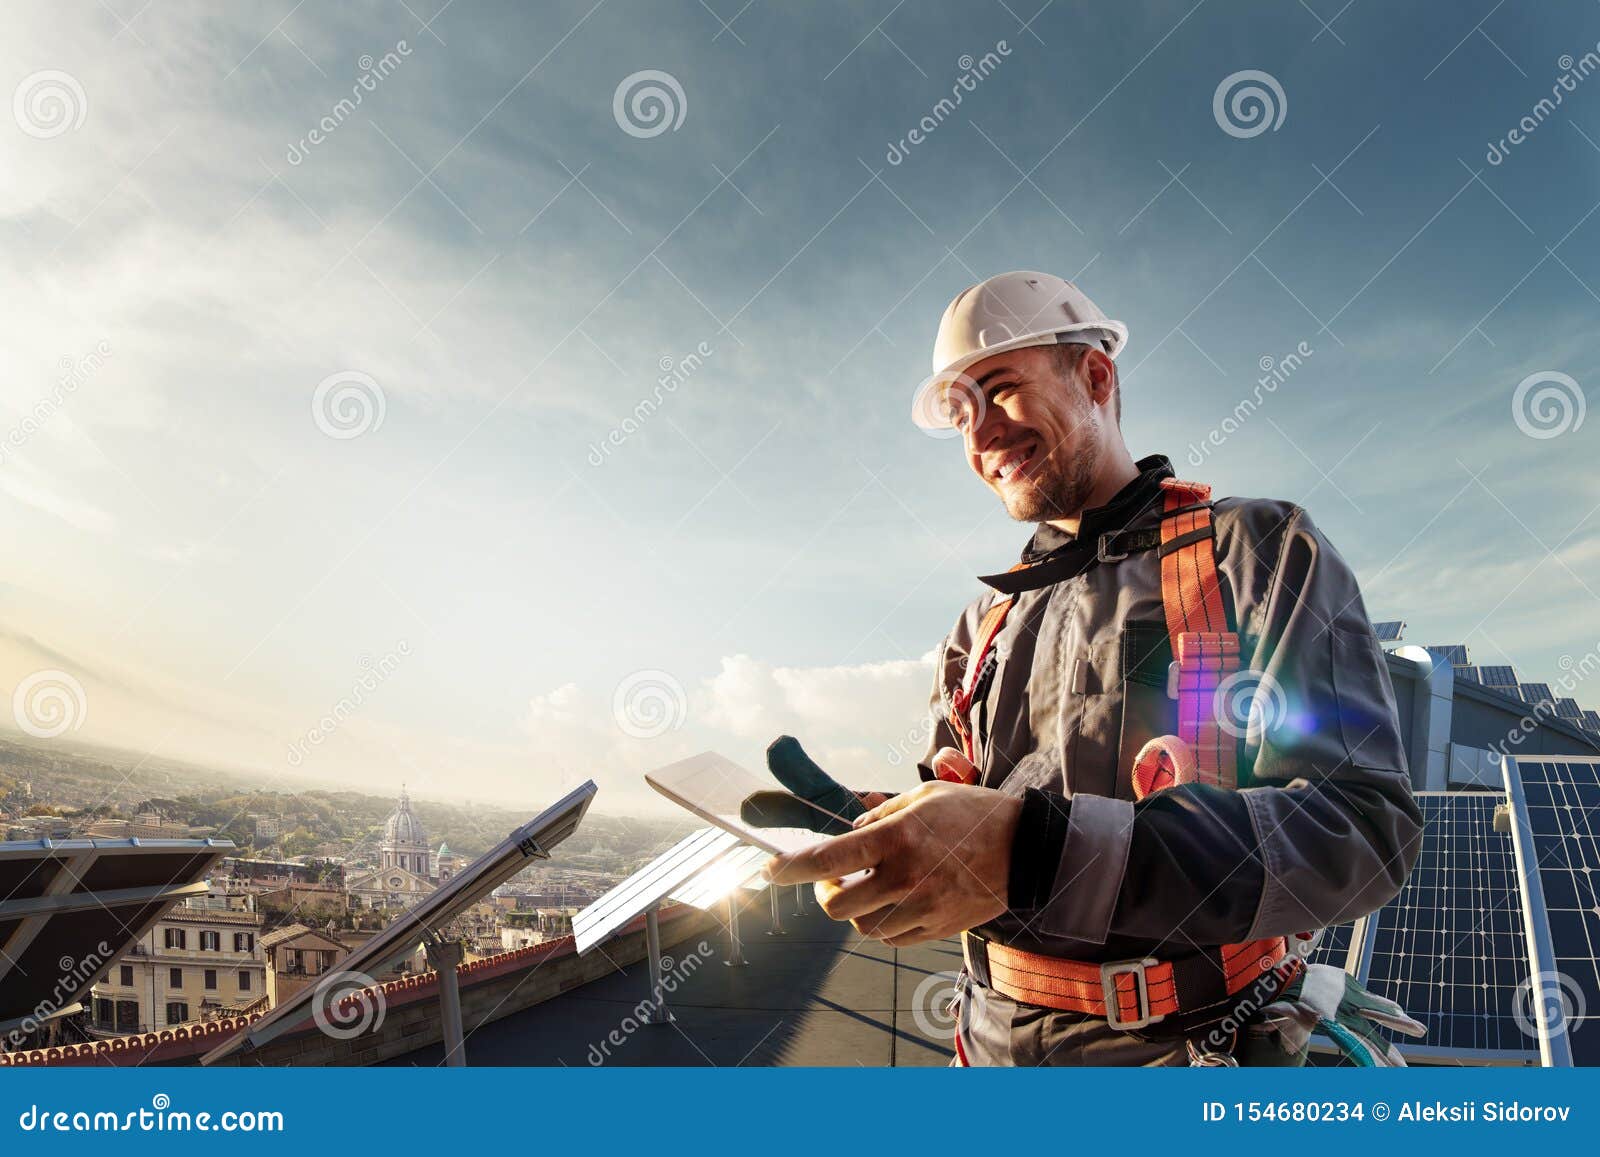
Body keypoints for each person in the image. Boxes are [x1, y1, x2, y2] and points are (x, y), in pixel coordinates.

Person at [749, 271, 1422, 1066]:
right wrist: (891, 830)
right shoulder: (980, 630)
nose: (980, 438)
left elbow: (1361, 830)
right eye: (960, 415)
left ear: (1096, 376)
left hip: (1188, 1051)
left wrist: (1035, 851)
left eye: (998, 391)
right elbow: (984, 822)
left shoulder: (1255, 554)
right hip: (991, 1048)